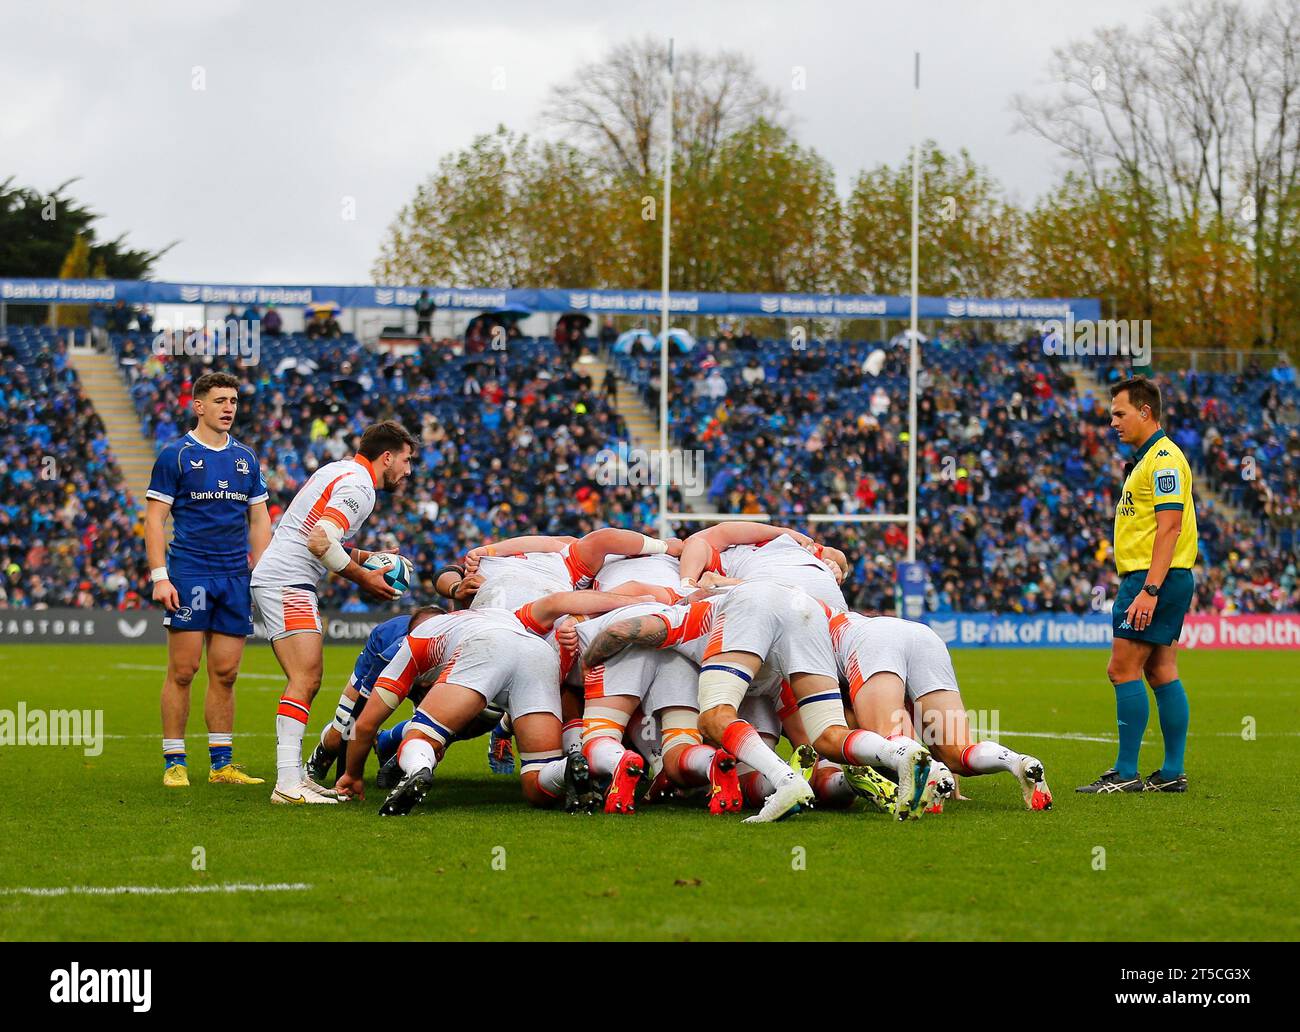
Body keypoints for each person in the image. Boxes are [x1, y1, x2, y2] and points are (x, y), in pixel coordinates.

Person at [250, 419, 416, 804]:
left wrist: (370, 559)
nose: (407, 471)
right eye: (406, 461)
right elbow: (319, 539)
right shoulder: (360, 487)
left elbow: (321, 534)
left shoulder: (339, 470)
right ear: (387, 457)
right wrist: (365, 579)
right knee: (306, 679)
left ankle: (294, 778)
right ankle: (287, 784)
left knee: (306, 678)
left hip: (286, 578)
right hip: (287, 581)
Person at [145, 371, 271, 788]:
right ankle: (174, 762)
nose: (229, 408)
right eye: (220, 401)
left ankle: (221, 765)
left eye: (233, 400)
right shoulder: (175, 455)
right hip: (191, 574)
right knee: (184, 670)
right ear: (199, 405)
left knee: (227, 672)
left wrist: (264, 570)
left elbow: (258, 518)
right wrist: (160, 576)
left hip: (234, 576)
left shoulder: (246, 459)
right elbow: (155, 519)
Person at [1079, 376, 1198, 795]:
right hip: (1164, 576)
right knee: (1162, 670)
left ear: (1145, 412)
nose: (1113, 422)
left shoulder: (1163, 460)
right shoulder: (1149, 459)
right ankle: (1171, 772)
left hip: (1153, 578)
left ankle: (1126, 772)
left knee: (1121, 669)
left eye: (1119, 413)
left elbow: (1170, 528)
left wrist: (1149, 590)